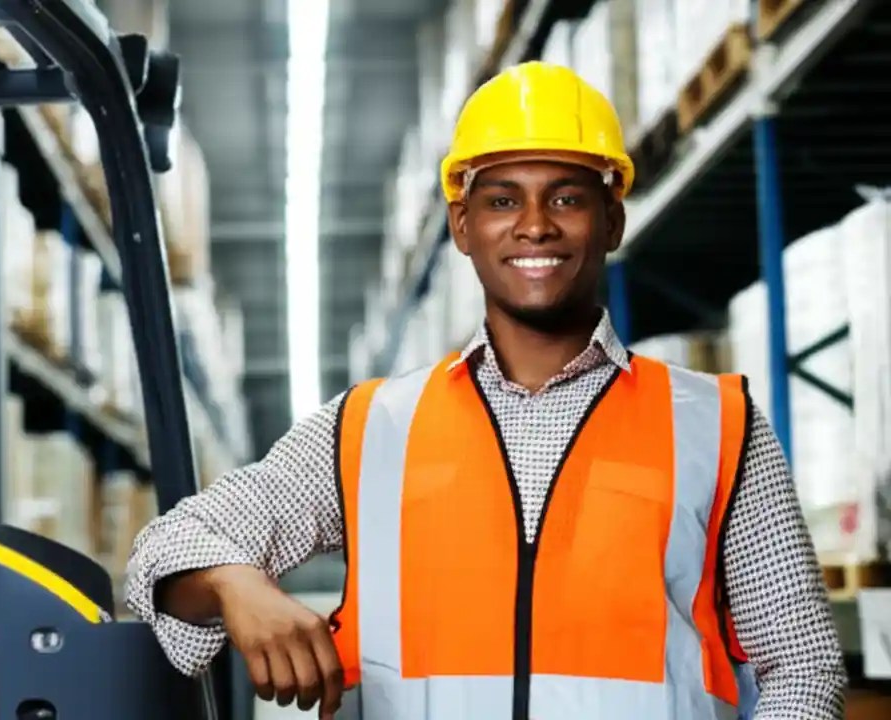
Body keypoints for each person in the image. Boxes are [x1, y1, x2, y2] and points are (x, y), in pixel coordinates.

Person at [125, 62, 846, 720]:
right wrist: (232, 584)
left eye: (566, 197)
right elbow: (162, 551)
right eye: (503, 200)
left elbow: (805, 668)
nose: (535, 225)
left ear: (613, 219)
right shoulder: (370, 427)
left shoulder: (716, 425)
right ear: (463, 226)